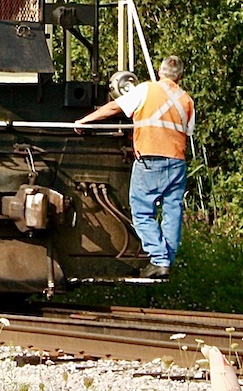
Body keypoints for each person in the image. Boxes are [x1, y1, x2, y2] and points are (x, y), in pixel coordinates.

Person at [75, 55, 194, 278]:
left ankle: (158, 259)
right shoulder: (186, 100)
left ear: (160, 72)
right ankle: (166, 260)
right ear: (180, 76)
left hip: (150, 159)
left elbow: (114, 107)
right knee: (172, 212)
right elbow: (187, 131)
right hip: (177, 162)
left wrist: (85, 120)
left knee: (141, 212)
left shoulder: (145, 90)